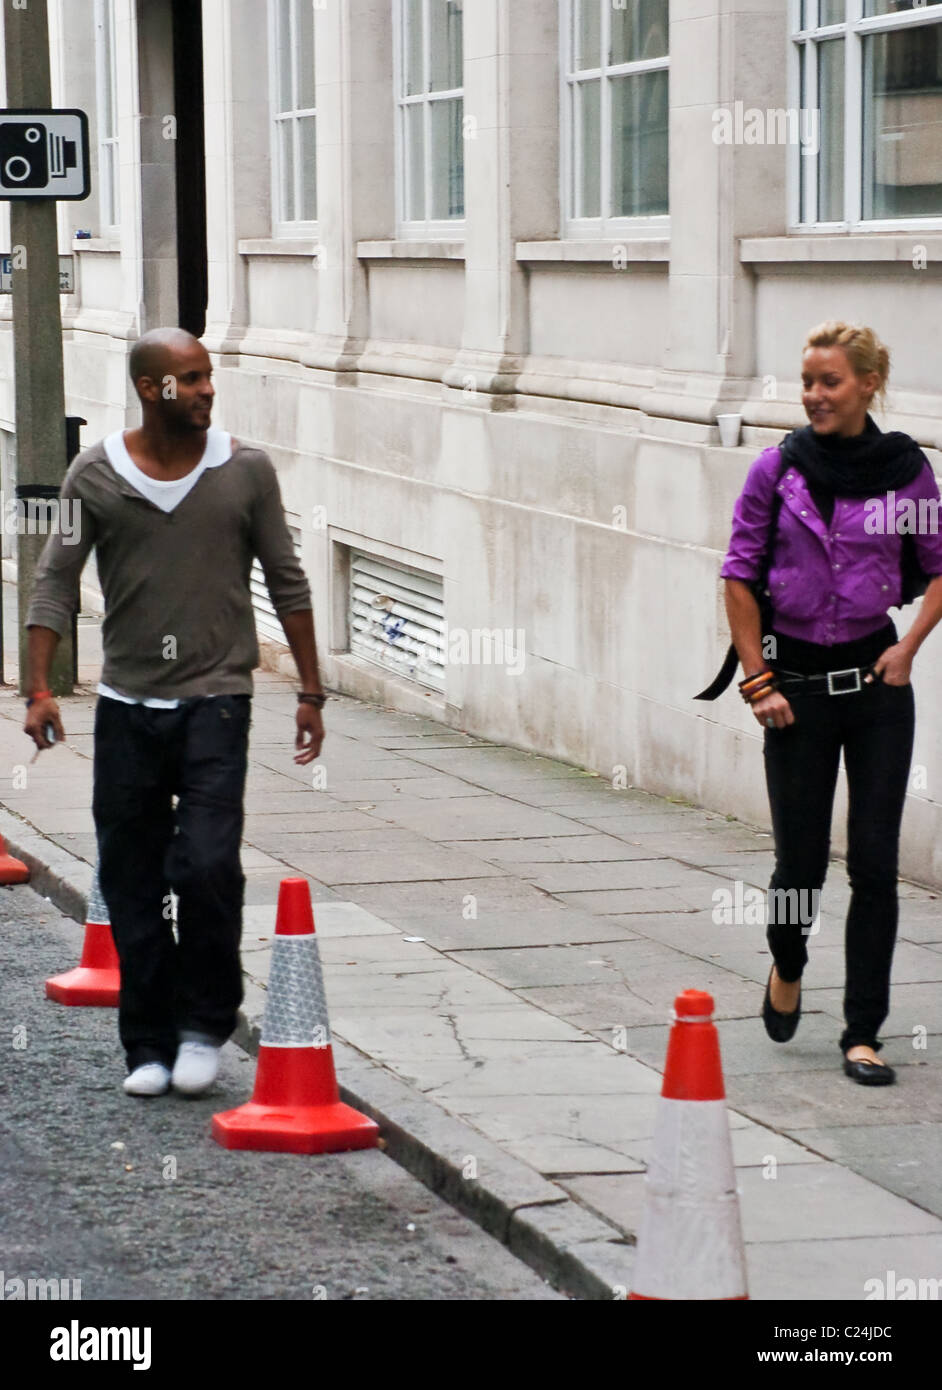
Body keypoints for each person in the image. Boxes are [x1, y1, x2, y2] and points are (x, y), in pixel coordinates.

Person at [23, 328, 326, 1099]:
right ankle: (148, 1045)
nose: (206, 389)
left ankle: (203, 1027)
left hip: (217, 704)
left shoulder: (244, 472)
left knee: (206, 866)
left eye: (208, 376)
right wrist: (39, 689)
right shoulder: (92, 476)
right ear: (152, 388)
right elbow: (55, 582)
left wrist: (312, 692)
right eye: (190, 379)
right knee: (131, 878)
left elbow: (288, 582)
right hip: (127, 711)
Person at [720, 321, 942, 1086]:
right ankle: (787, 963)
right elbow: (738, 577)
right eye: (808, 381)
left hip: (878, 688)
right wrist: (758, 680)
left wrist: (907, 647)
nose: (813, 395)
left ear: (868, 384)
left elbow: (940, 566)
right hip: (796, 694)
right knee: (800, 868)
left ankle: (862, 1032)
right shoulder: (776, 471)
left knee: (875, 866)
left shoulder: (907, 471)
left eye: (829, 382)